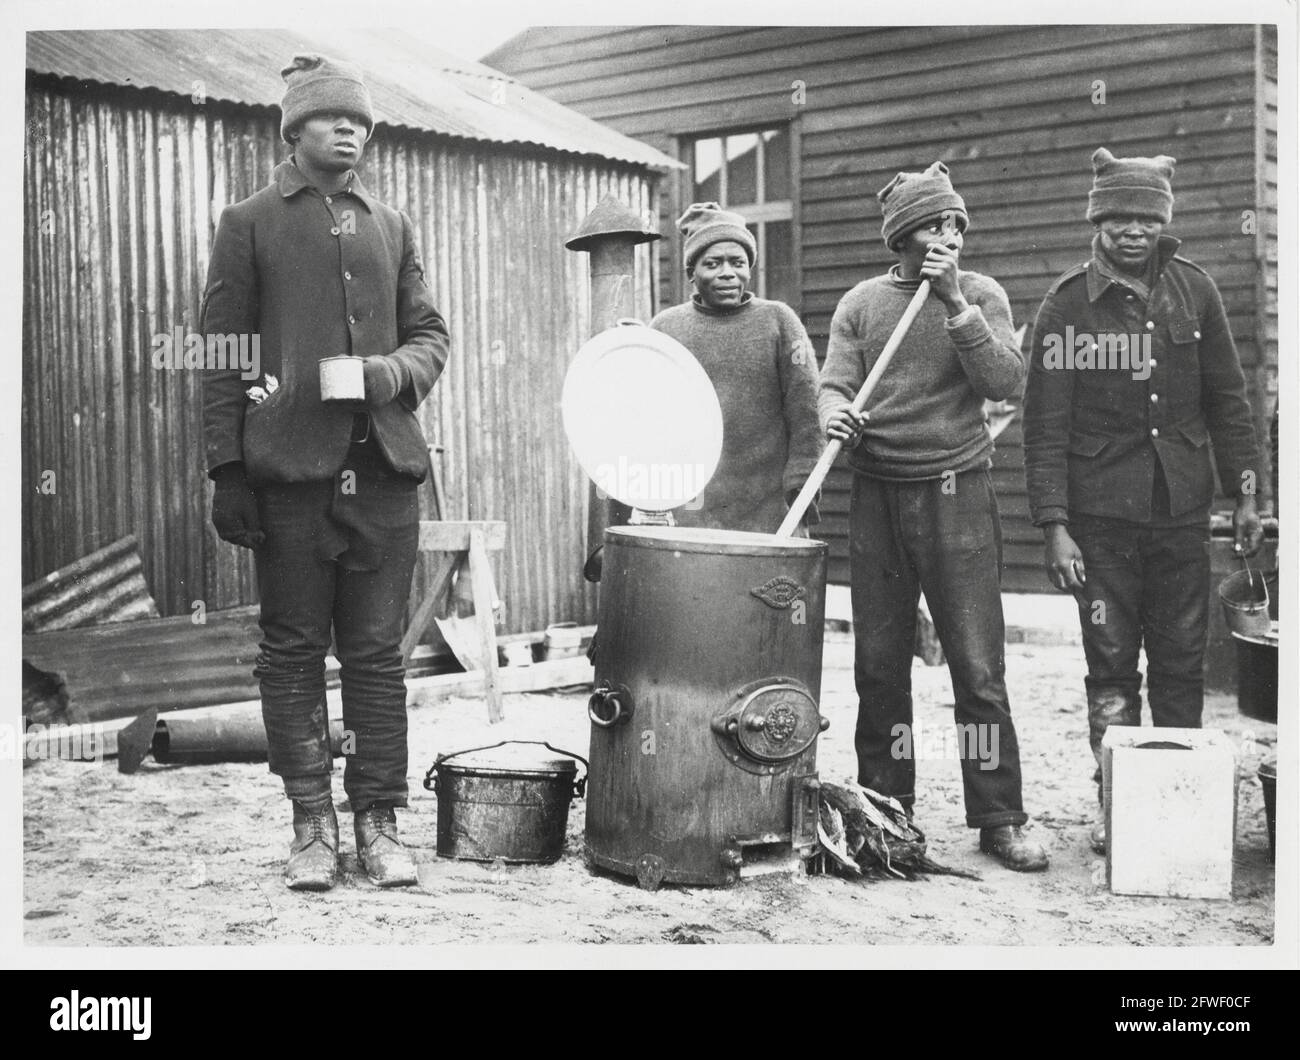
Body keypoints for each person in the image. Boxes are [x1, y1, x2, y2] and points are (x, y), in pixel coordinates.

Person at [201, 54, 451, 890]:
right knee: (293, 649)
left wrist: (387, 374)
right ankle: (311, 824)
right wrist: (228, 468)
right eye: (333, 118)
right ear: (294, 130)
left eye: (362, 122)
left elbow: (431, 336)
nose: (351, 131)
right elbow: (220, 351)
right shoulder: (249, 221)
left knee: (378, 656)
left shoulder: (394, 223)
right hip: (291, 476)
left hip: (381, 472)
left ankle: (379, 824)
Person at [1022, 148, 1264, 853]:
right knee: (1110, 662)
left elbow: (1231, 404)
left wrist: (1248, 496)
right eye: (1119, 217)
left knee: (1184, 658)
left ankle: (1178, 805)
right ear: (1097, 220)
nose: (1133, 230)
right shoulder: (1067, 305)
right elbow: (1045, 429)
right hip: (1098, 526)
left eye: (1146, 218)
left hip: (1182, 515)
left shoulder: (1197, 292)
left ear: (1164, 221)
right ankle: (1119, 808)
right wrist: (1055, 527)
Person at [820, 161, 1048, 872]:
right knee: (880, 667)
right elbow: (834, 384)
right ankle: (887, 811)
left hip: (958, 492)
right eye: (931, 226)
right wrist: (837, 417)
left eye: (955, 224)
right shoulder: (861, 303)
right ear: (900, 238)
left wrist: (954, 304)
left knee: (977, 667)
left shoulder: (979, 294)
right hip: (877, 493)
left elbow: (1006, 381)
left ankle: (999, 817)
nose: (948, 236)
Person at [648, 203, 822, 534]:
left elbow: (806, 409)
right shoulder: (665, 329)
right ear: (691, 274)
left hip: (770, 503)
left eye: (737, 262)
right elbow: (651, 418)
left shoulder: (778, 321)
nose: (728, 273)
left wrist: (803, 477)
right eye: (713, 264)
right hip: (693, 505)